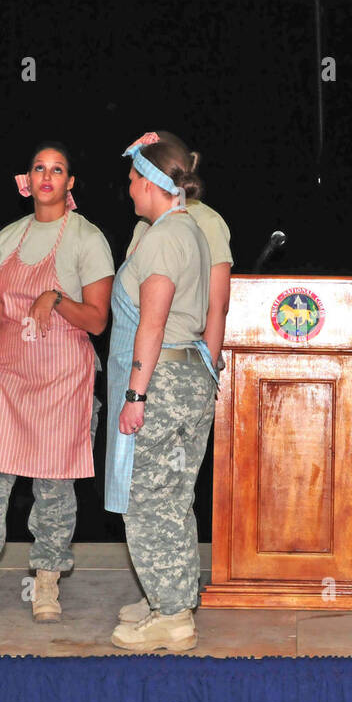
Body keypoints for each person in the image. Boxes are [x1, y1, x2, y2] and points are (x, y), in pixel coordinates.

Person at [0, 143, 113, 623]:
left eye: (58, 169)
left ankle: (48, 584)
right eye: (40, 168)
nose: (48, 175)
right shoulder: (10, 236)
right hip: (5, 373)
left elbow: (97, 320)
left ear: (70, 182)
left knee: (54, 488)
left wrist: (55, 298)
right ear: (28, 179)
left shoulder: (86, 237)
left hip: (61, 377)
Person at [105, 132, 217, 652]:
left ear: (151, 182)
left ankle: (172, 616)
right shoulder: (189, 229)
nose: (128, 190)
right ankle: (173, 604)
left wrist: (135, 397)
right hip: (189, 376)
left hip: (164, 380)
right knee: (173, 499)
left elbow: (151, 323)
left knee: (148, 501)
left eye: (132, 180)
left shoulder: (162, 237)